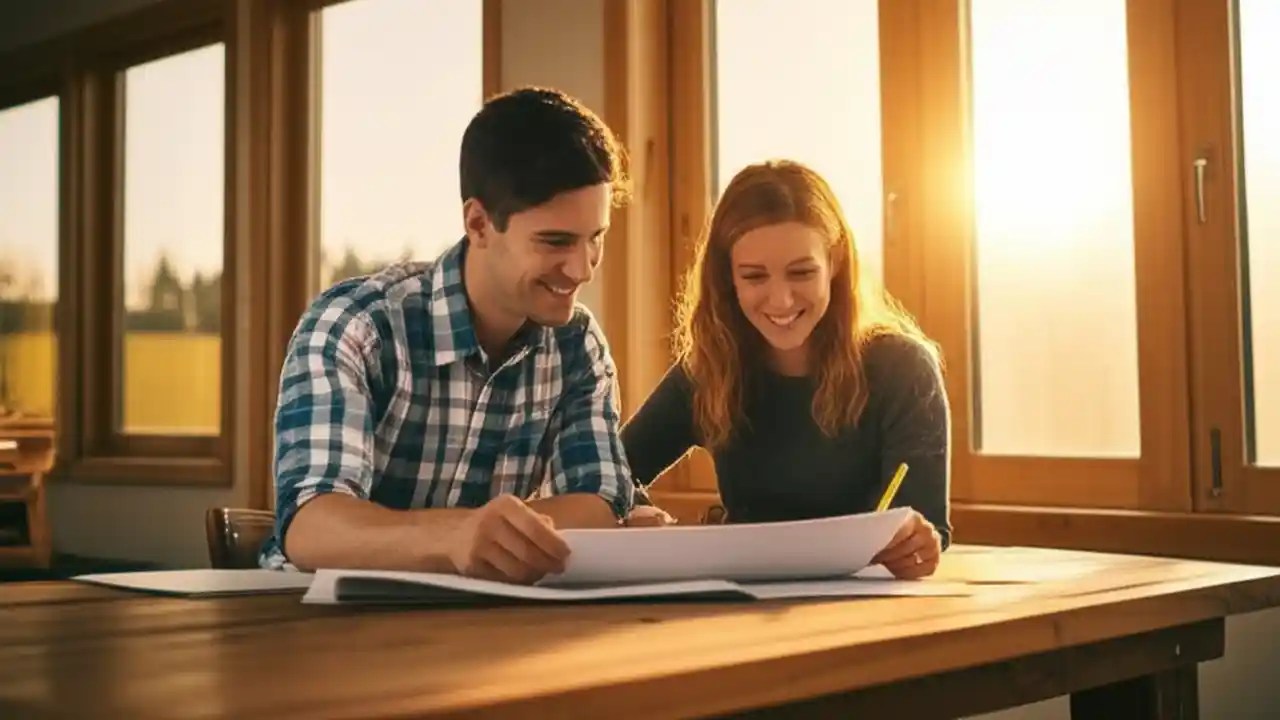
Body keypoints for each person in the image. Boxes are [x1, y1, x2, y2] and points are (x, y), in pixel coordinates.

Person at [258, 87, 635, 584]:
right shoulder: (357, 326)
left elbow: (601, 504)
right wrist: (455, 537)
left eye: (596, 239)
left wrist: (495, 537)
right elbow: (311, 526)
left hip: (479, 623)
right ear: (478, 223)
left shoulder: (577, 346)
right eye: (555, 241)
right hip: (311, 618)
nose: (582, 268)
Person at [621, 160, 951, 579]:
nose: (780, 300)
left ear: (834, 264)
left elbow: (926, 528)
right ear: (728, 279)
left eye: (802, 273)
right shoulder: (709, 370)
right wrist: (635, 510)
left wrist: (918, 544)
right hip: (738, 607)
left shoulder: (903, 369)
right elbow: (608, 475)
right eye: (755, 276)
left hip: (863, 609)